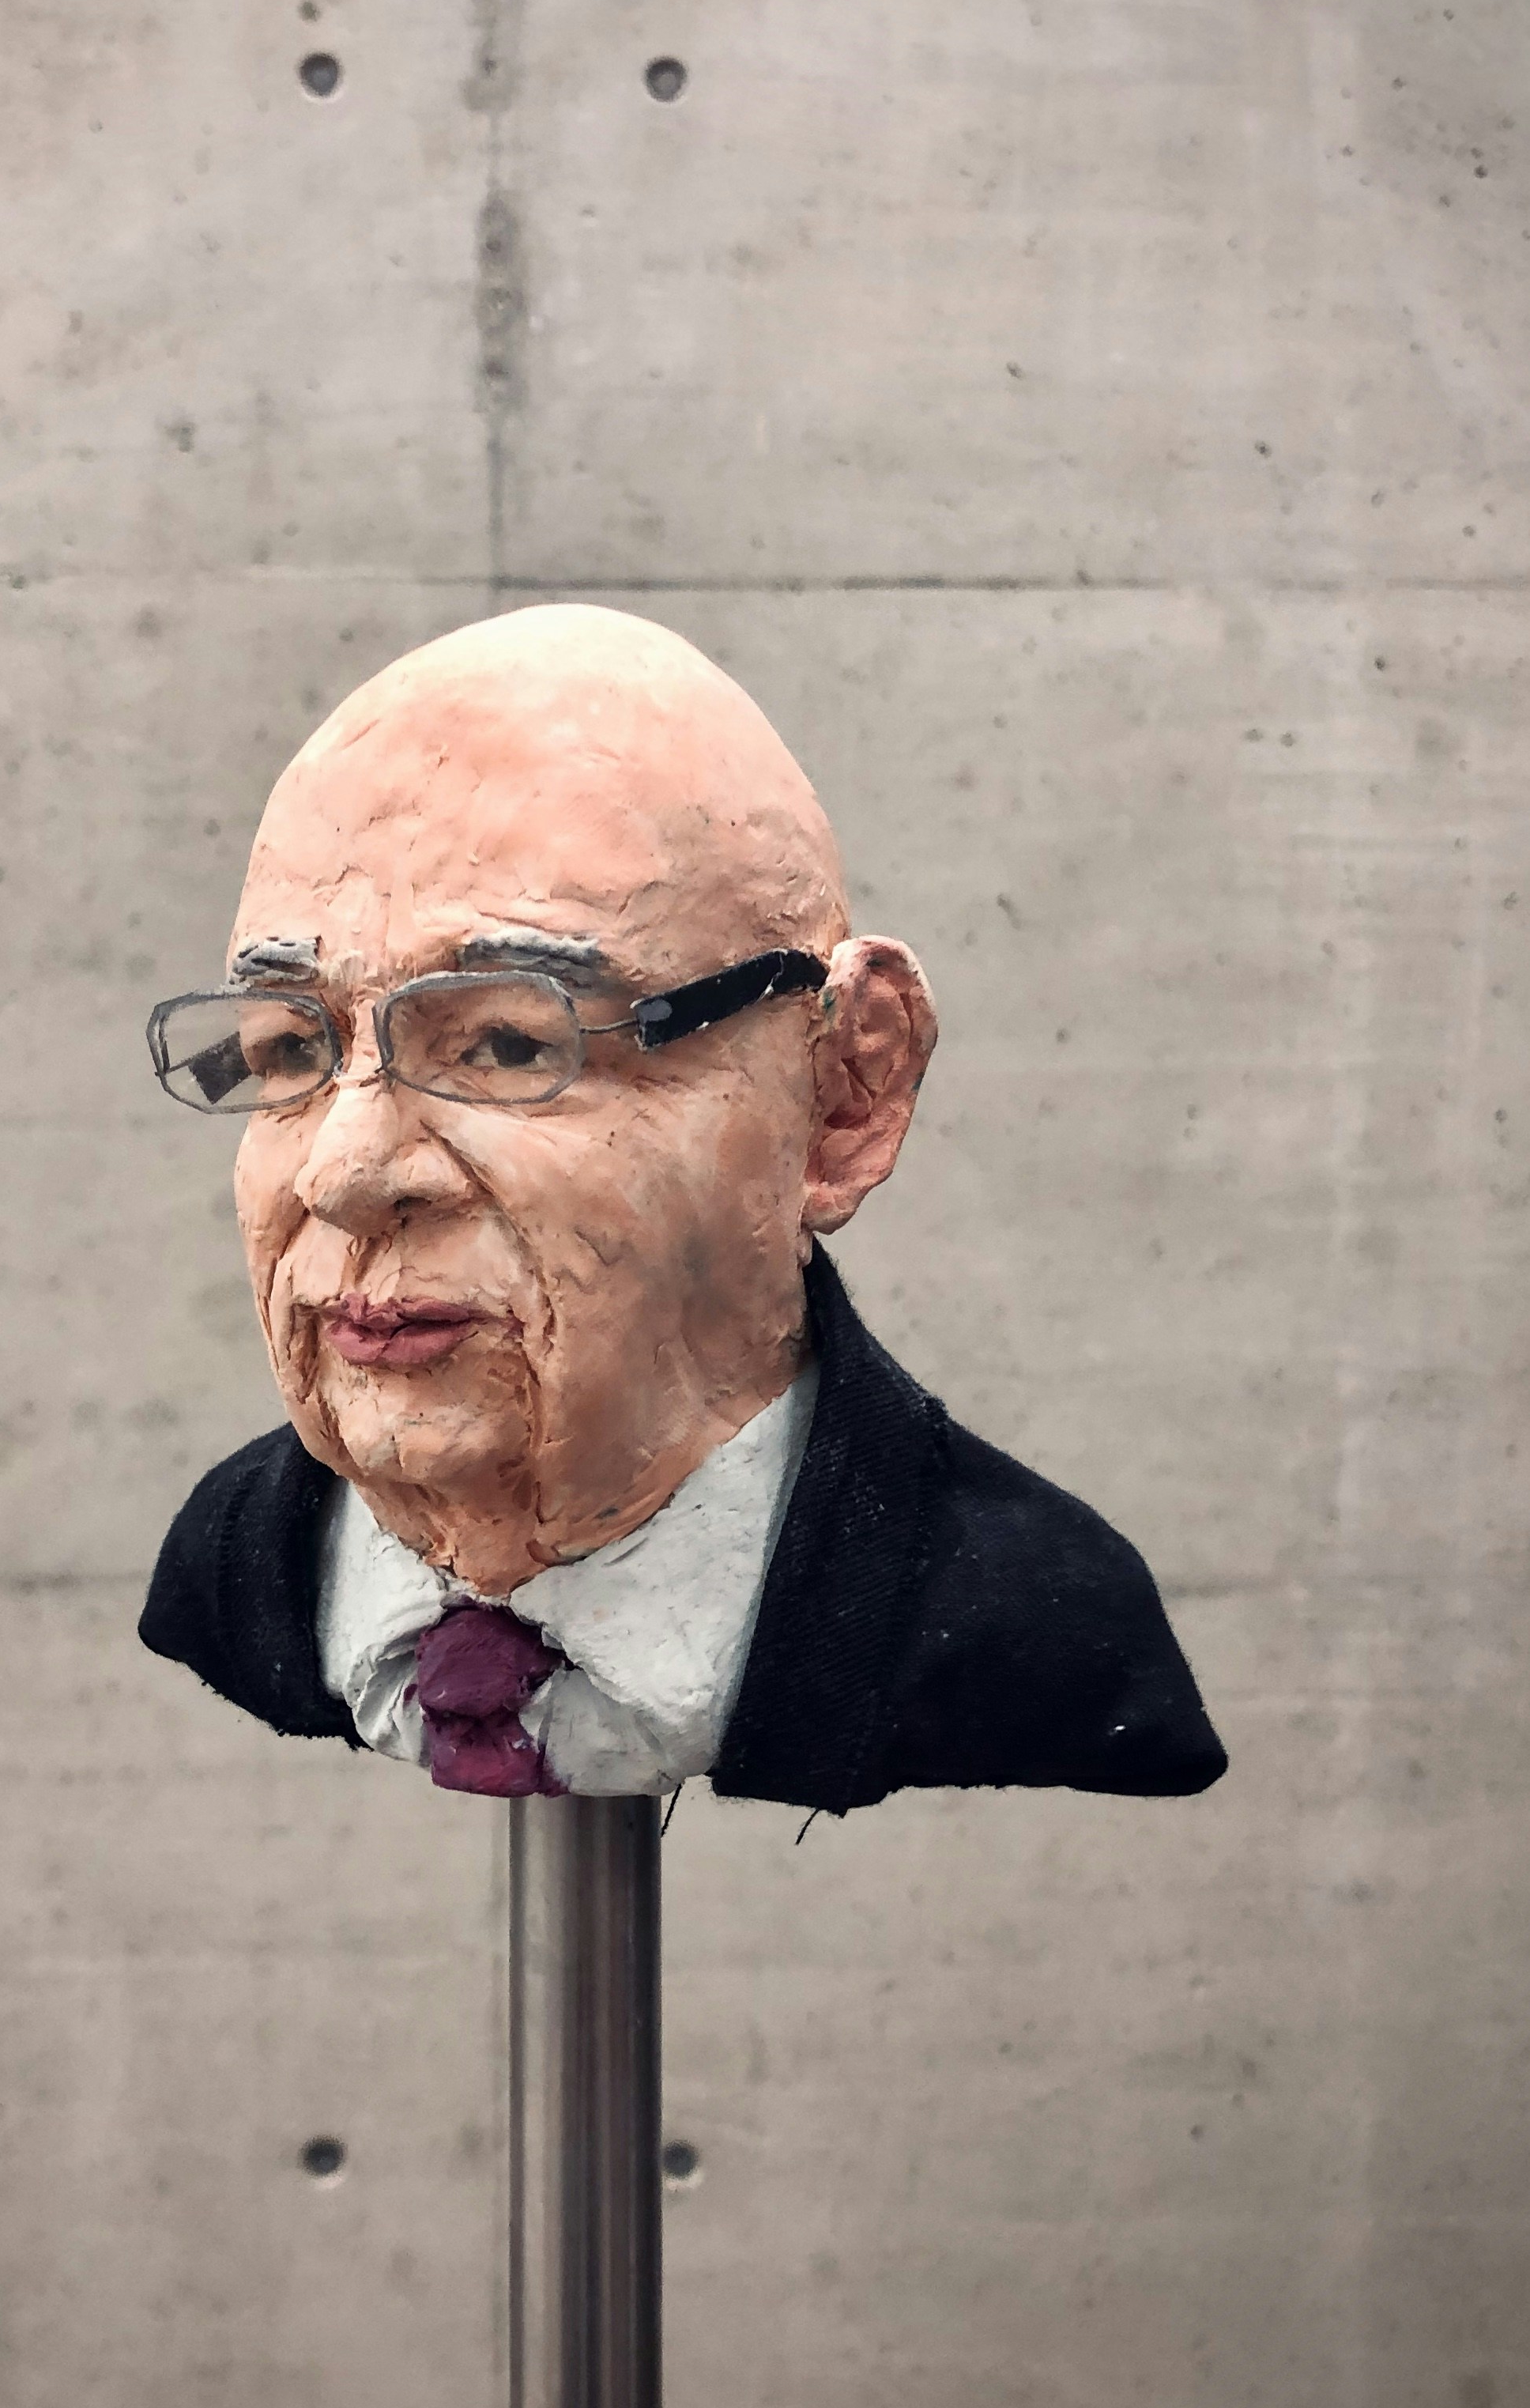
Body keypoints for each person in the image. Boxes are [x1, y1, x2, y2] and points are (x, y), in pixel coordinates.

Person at [138, 605, 1225, 1815]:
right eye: (289, 1045)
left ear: (846, 1091)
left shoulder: (1027, 1607)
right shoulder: (235, 1563)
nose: (341, 1172)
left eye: (505, 1041)